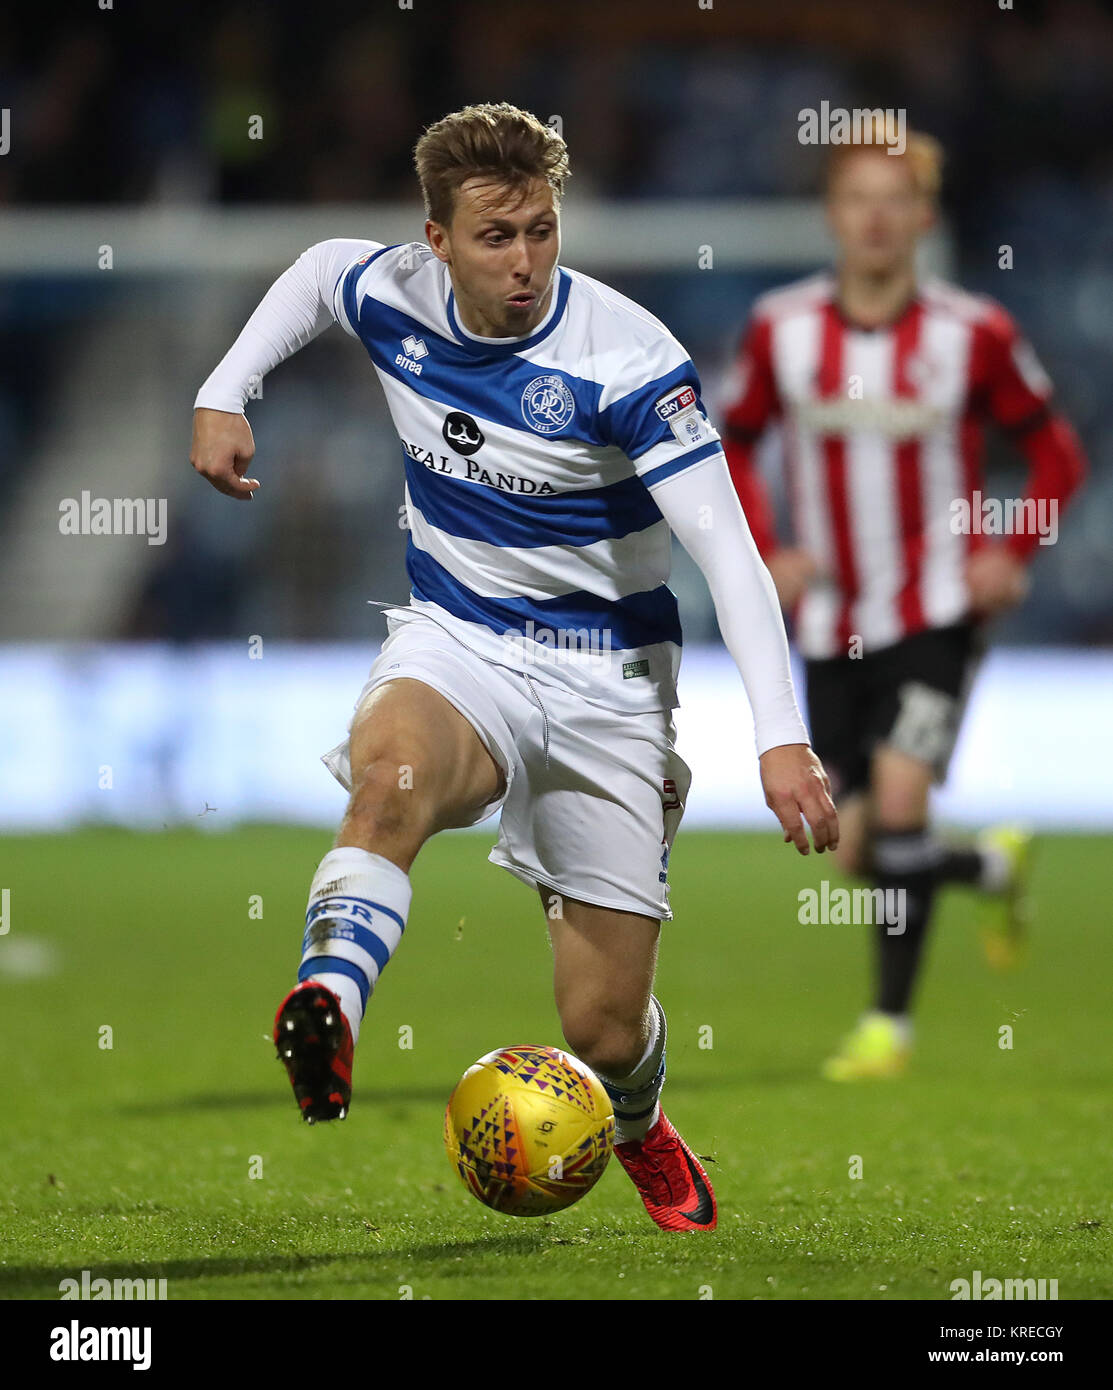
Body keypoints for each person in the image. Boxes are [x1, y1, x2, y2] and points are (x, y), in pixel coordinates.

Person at [191, 102, 838, 1230]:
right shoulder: (389, 290)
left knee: (599, 1028)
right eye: (497, 236)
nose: (527, 259)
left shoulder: (629, 358)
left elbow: (727, 551)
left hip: (609, 683)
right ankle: (330, 1002)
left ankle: (638, 1120)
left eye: (542, 229)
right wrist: (223, 388)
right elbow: (313, 271)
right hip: (461, 641)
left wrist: (779, 733)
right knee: (390, 772)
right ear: (435, 241)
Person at [720, 122, 1086, 1081]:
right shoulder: (781, 328)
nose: (875, 218)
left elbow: (1057, 456)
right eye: (856, 199)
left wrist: (1009, 552)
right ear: (832, 215)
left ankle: (888, 1027)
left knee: (897, 799)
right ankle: (989, 870)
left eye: (895, 200)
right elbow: (730, 444)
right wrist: (768, 552)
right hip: (830, 621)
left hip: (933, 612)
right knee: (854, 852)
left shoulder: (972, 332)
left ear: (923, 217)